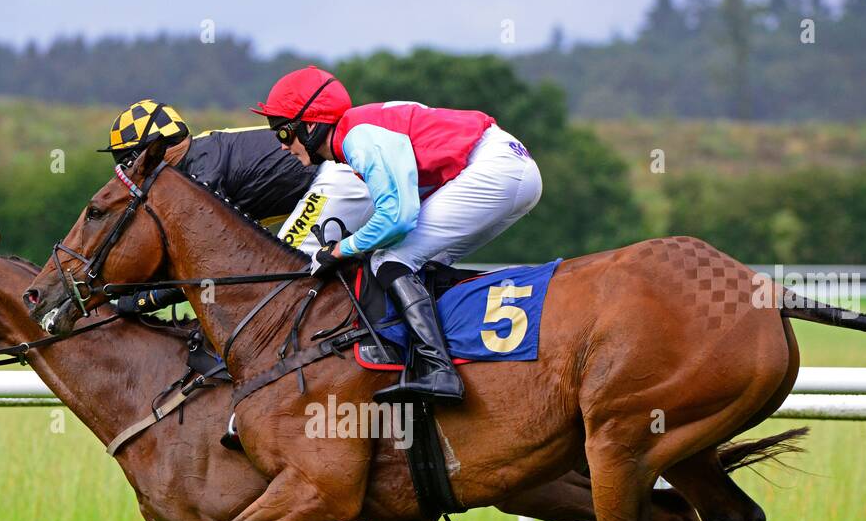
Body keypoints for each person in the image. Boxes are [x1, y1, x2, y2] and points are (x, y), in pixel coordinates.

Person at [253, 67, 543, 403]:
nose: (283, 146)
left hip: (496, 168)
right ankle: (457, 353)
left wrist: (339, 250)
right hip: (509, 167)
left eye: (284, 133)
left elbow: (397, 218)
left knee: (390, 259)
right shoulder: (357, 132)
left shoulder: (356, 138)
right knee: (423, 261)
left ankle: (440, 370)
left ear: (312, 124)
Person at [100, 99, 372, 315]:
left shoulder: (200, 177)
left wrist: (140, 302)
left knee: (278, 273)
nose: (128, 173)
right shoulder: (199, 155)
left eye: (126, 162)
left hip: (338, 177)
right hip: (341, 176)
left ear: (153, 151)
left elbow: (209, 271)